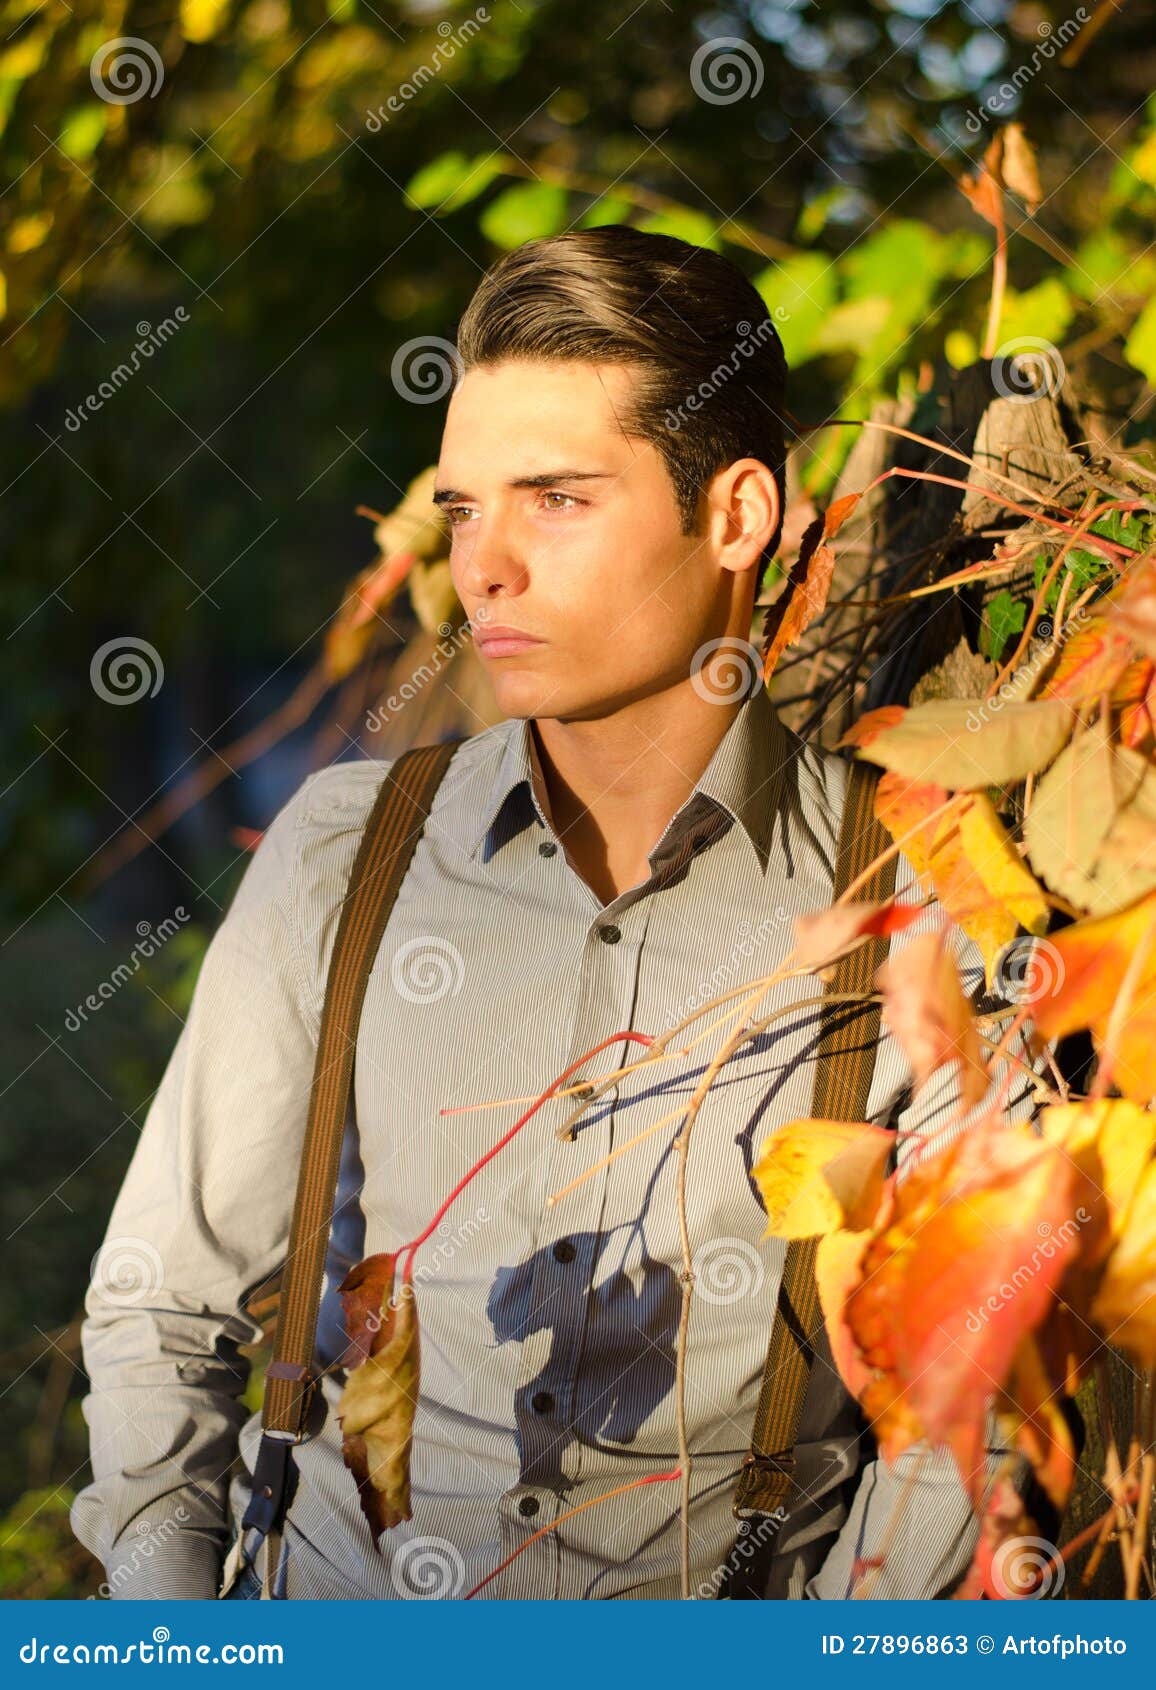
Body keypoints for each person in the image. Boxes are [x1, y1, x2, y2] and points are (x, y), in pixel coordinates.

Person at [71, 227, 1033, 1601]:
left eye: (557, 500)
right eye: (465, 508)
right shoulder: (343, 854)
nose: (486, 568)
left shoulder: (916, 894)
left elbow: (961, 1407)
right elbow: (167, 1305)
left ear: (739, 517)